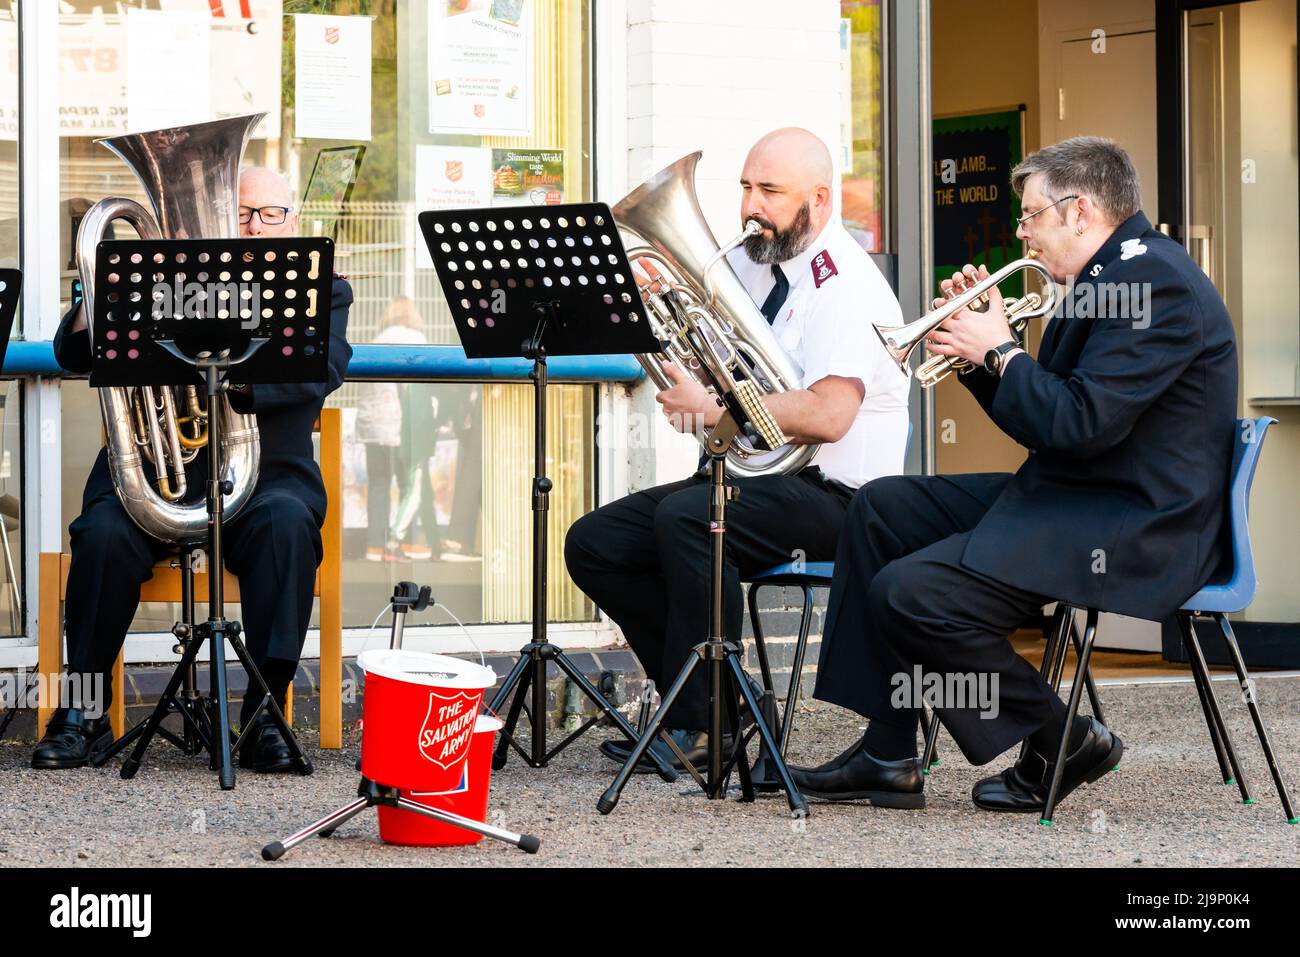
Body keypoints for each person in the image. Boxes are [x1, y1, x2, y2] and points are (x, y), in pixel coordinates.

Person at [794, 137, 1238, 813]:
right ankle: (887, 753)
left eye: (1031, 215)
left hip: (1138, 523)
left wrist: (1000, 349)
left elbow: (1078, 423)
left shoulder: (1155, 285)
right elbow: (1045, 420)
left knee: (913, 594)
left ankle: (1061, 737)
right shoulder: (1106, 280)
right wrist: (975, 357)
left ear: (1080, 211)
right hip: (1076, 494)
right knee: (880, 508)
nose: (1021, 232)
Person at [565, 128, 911, 772]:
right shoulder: (754, 263)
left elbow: (829, 415)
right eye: (746, 187)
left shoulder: (846, 284)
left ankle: (707, 726)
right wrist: (649, 305)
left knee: (691, 518)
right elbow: (723, 364)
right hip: (763, 480)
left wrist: (717, 411)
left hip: (842, 499)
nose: (751, 206)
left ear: (819, 199)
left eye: (770, 191)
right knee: (595, 543)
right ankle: (716, 699)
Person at [33, 166, 353, 772]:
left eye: (270, 215)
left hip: (267, 477)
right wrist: (98, 289)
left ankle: (264, 716)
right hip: (160, 471)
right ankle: (82, 712)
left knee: (287, 528)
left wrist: (232, 382)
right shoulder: (161, 281)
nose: (255, 227)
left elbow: (324, 368)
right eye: (241, 214)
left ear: (292, 222)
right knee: (101, 535)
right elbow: (72, 354)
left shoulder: (320, 290)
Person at [357, 296, 432, 561]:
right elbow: (422, 384)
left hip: (372, 425)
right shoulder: (417, 339)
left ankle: (375, 546)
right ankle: (404, 541)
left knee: (378, 484)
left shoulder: (377, 340)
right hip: (402, 425)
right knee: (408, 485)